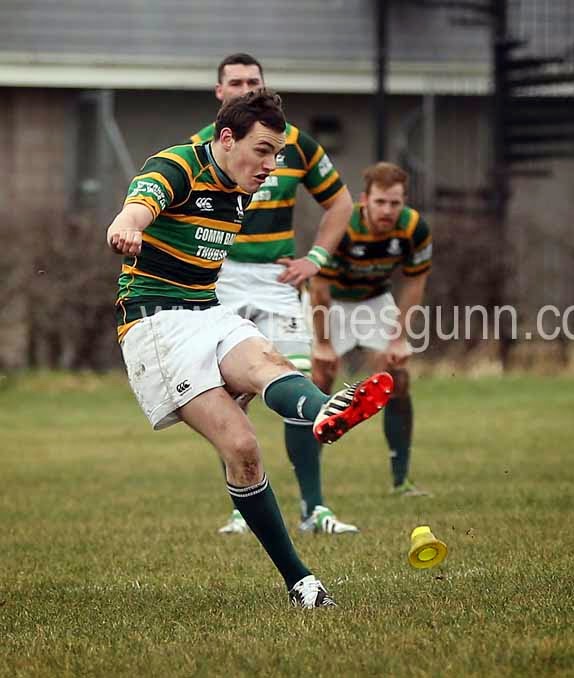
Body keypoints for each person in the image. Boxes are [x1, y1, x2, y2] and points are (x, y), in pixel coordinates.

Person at [107, 89, 394, 608]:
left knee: (268, 363)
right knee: (242, 450)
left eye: (278, 154)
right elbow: (138, 205)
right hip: (155, 325)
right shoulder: (176, 166)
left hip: (208, 310)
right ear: (226, 138)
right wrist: (126, 228)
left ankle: (324, 409)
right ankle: (299, 578)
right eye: (262, 150)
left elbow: (333, 204)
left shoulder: (243, 189)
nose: (271, 165)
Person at [190, 53, 359, 536]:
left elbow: (341, 202)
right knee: (228, 400)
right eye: (235, 82)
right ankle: (244, 505)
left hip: (277, 282)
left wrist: (317, 259)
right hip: (218, 280)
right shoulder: (201, 149)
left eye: (253, 81)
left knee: (297, 380)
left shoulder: (294, 144)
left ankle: (314, 509)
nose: (244, 88)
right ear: (219, 93)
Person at [310, 162, 432, 496]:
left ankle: (400, 480)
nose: (388, 210)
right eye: (380, 202)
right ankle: (310, 484)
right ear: (365, 199)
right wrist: (323, 344)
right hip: (331, 302)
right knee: (320, 380)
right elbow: (318, 289)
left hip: (375, 301)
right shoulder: (343, 228)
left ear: (404, 201)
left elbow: (415, 283)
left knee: (398, 378)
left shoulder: (414, 229)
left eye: (395, 203)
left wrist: (399, 336)